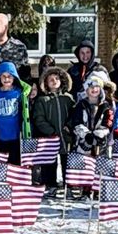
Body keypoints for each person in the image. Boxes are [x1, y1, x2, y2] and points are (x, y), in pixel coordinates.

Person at [33, 67, 75, 196]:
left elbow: (75, 115)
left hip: (66, 136)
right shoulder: (42, 100)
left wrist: (69, 126)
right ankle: (50, 185)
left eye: (56, 78)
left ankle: (68, 185)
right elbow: (39, 119)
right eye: (50, 79)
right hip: (50, 137)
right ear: (45, 83)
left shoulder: (68, 98)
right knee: (50, 162)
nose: (54, 81)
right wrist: (50, 131)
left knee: (67, 161)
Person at [0, 61, 32, 165]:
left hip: (15, 137)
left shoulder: (19, 92)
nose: (6, 79)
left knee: (14, 165)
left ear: (14, 78)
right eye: (3, 76)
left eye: (9, 76)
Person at [71, 75, 113, 158]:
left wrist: (101, 133)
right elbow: (76, 122)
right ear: (86, 90)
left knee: (100, 167)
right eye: (91, 87)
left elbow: (109, 122)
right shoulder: (81, 105)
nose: (94, 89)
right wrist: (86, 134)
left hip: (100, 142)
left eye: (97, 87)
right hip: (83, 142)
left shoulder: (106, 106)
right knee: (84, 167)